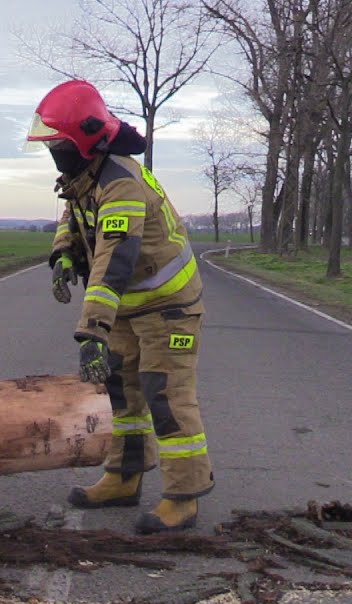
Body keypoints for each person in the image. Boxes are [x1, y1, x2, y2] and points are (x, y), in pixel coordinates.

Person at [26, 79, 214, 535]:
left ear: (85, 140)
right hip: (132, 309)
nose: (55, 153)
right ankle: (124, 477)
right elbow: (74, 216)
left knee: (163, 393)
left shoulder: (122, 185)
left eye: (59, 144)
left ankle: (183, 497)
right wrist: (63, 254)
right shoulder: (85, 178)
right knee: (120, 394)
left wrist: (91, 332)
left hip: (170, 309)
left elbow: (115, 261)